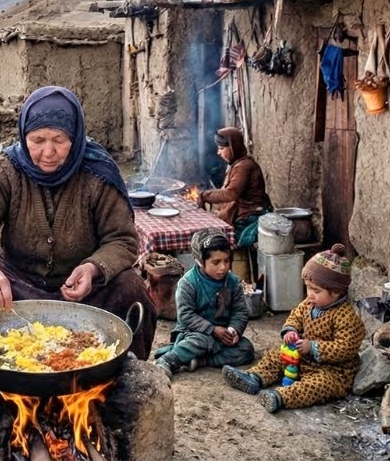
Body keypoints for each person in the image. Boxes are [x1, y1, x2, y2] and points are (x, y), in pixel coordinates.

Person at [0, 86, 157, 359]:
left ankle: (125, 379)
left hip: (82, 291)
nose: (48, 152)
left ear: (75, 136)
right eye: (37, 140)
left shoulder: (98, 173)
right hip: (17, 287)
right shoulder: (6, 170)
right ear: (24, 136)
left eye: (59, 140)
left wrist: (93, 268)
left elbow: (122, 240)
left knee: (132, 289)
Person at [221, 244, 365, 413]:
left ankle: (280, 397)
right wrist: (291, 331)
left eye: (316, 290)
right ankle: (254, 377)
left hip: (332, 370)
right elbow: (295, 317)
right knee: (276, 356)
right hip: (302, 359)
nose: (310, 294)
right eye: (308, 288)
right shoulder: (308, 304)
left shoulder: (346, 316)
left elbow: (346, 347)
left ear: (336, 293)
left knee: (318, 386)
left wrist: (312, 347)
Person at [151, 230, 255, 375]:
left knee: (246, 349)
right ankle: (168, 360)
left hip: (221, 336)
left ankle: (198, 360)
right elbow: (186, 316)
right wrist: (212, 330)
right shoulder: (188, 283)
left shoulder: (233, 282)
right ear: (200, 261)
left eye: (226, 260)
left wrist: (234, 330)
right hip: (193, 333)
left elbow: (240, 311)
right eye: (216, 262)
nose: (223, 267)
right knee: (202, 341)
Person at [198, 127, 272, 248]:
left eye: (221, 148)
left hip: (250, 215)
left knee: (216, 240)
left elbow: (231, 193)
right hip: (245, 212)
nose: (218, 152)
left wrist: (205, 195)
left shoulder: (243, 166)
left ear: (233, 147)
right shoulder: (237, 164)